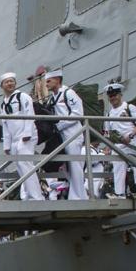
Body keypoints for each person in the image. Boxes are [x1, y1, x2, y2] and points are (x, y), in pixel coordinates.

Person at [103, 83, 136, 198]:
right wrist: (107, 147)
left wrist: (131, 135)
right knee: (118, 169)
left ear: (120, 95)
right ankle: (120, 194)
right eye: (110, 96)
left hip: (134, 142)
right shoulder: (109, 114)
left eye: (115, 95)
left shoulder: (129, 107)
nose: (113, 98)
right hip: (119, 144)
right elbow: (107, 132)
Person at [0, 72, 44, 200]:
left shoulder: (22, 96)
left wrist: (27, 133)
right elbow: (5, 124)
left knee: (26, 165)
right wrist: (6, 144)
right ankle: (28, 194)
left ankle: (36, 197)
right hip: (14, 139)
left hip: (25, 136)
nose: (10, 83)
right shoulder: (4, 104)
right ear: (2, 86)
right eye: (7, 82)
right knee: (20, 167)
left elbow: (30, 114)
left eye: (12, 81)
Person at [45, 69, 88, 200]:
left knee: (75, 165)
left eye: (49, 81)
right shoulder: (52, 98)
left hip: (73, 133)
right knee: (65, 166)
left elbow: (78, 113)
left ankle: (79, 196)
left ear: (57, 80)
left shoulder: (68, 93)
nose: (46, 84)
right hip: (62, 136)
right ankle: (76, 194)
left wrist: (61, 125)